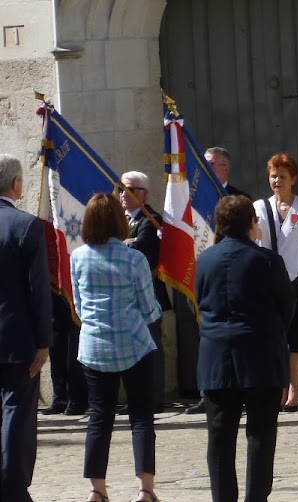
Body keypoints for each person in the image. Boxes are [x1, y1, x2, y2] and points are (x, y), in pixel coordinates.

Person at [195, 195, 294, 502]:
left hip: (216, 359)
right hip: (261, 357)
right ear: (252, 223)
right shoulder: (267, 260)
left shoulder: (204, 260)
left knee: (220, 438)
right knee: (261, 437)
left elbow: (199, 301)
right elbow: (287, 308)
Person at [72, 193, 161, 502]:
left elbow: (80, 308)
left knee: (99, 417)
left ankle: (97, 490)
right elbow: (150, 309)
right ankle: (145, 489)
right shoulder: (134, 258)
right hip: (134, 344)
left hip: (94, 347)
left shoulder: (78, 257)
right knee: (141, 417)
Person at [0, 154, 52, 502]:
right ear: (16, 184)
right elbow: (38, 290)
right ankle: (13, 488)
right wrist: (44, 341)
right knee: (17, 416)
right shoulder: (26, 225)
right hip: (17, 339)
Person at [253, 153, 298, 412]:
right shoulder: (260, 208)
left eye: (282, 176)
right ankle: (278, 386)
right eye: (273, 176)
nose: (277, 181)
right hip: (270, 283)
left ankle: (295, 387)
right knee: (274, 338)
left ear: (293, 179)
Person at [189, 147, 249, 416]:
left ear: (225, 167)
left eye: (210, 163)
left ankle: (242, 391)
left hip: (237, 278)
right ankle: (208, 393)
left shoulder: (241, 200)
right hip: (204, 275)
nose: (204, 166)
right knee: (205, 336)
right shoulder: (191, 197)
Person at [120, 171, 169, 413]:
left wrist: (126, 243)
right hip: (125, 296)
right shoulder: (119, 220)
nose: (124, 195)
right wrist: (126, 243)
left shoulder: (151, 219)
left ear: (144, 194)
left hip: (148, 295)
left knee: (151, 346)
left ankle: (154, 398)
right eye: (121, 189)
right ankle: (135, 399)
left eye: (131, 190)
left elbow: (143, 249)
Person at [44, 290, 88, 416]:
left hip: (73, 290)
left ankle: (77, 399)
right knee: (56, 338)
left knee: (74, 344)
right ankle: (59, 399)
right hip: (53, 286)